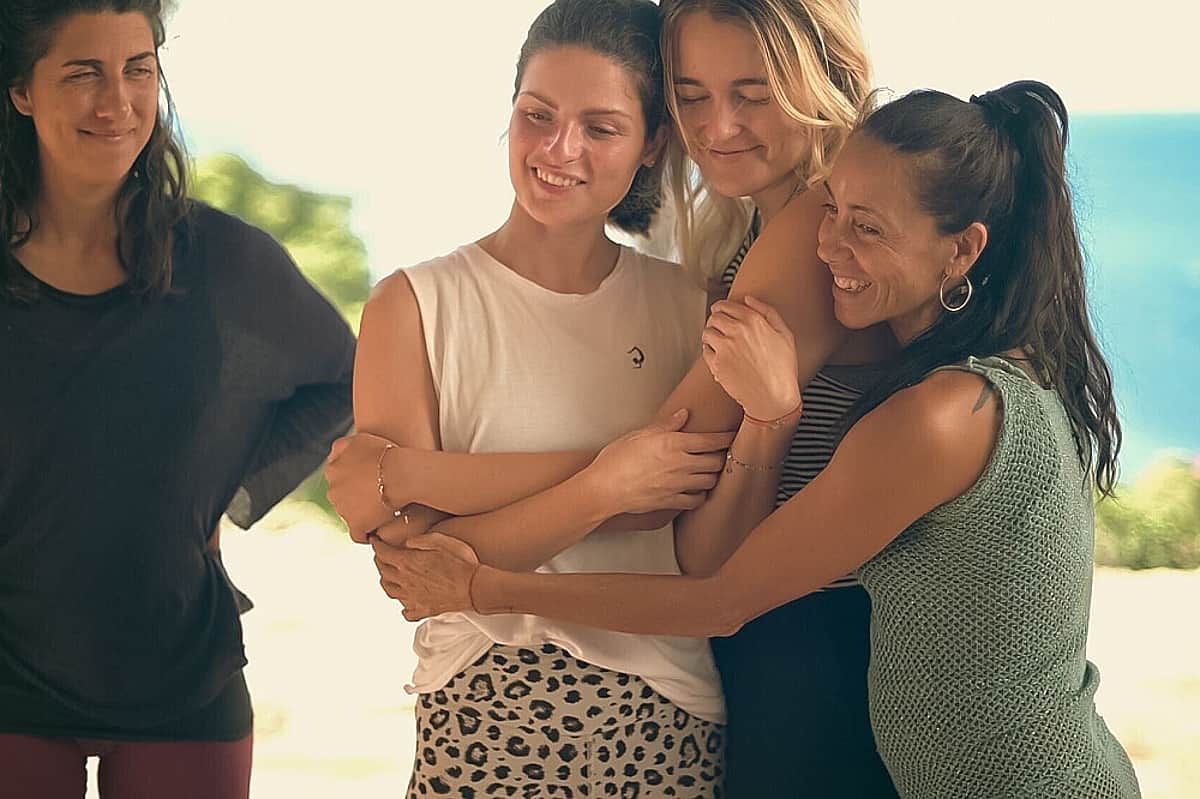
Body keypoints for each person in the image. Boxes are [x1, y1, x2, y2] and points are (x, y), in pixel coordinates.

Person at [378, 80, 1143, 798]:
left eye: (868, 228)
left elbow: (721, 599)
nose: (828, 245)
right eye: (832, 207)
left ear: (963, 250)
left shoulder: (942, 415)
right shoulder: (1010, 372)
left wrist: (483, 588)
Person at [326, 1, 733, 795]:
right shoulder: (412, 304)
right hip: (477, 705)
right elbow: (413, 563)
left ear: (653, 144)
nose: (559, 149)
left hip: (664, 714)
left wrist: (416, 473)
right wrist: (608, 479)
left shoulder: (694, 307)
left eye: (601, 127)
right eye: (536, 115)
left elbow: (669, 507)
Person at [0, 3, 356, 797]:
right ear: (21, 90)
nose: (117, 101)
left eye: (138, 69)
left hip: (181, 675)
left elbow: (343, 377)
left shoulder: (224, 260)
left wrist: (227, 495)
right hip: (8, 672)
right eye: (83, 72)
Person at [656, 2, 898, 793]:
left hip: (819, 652)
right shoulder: (762, 230)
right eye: (692, 94)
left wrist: (430, 481)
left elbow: (661, 466)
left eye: (752, 94)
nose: (717, 125)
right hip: (782, 641)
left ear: (826, 78)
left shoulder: (810, 228)